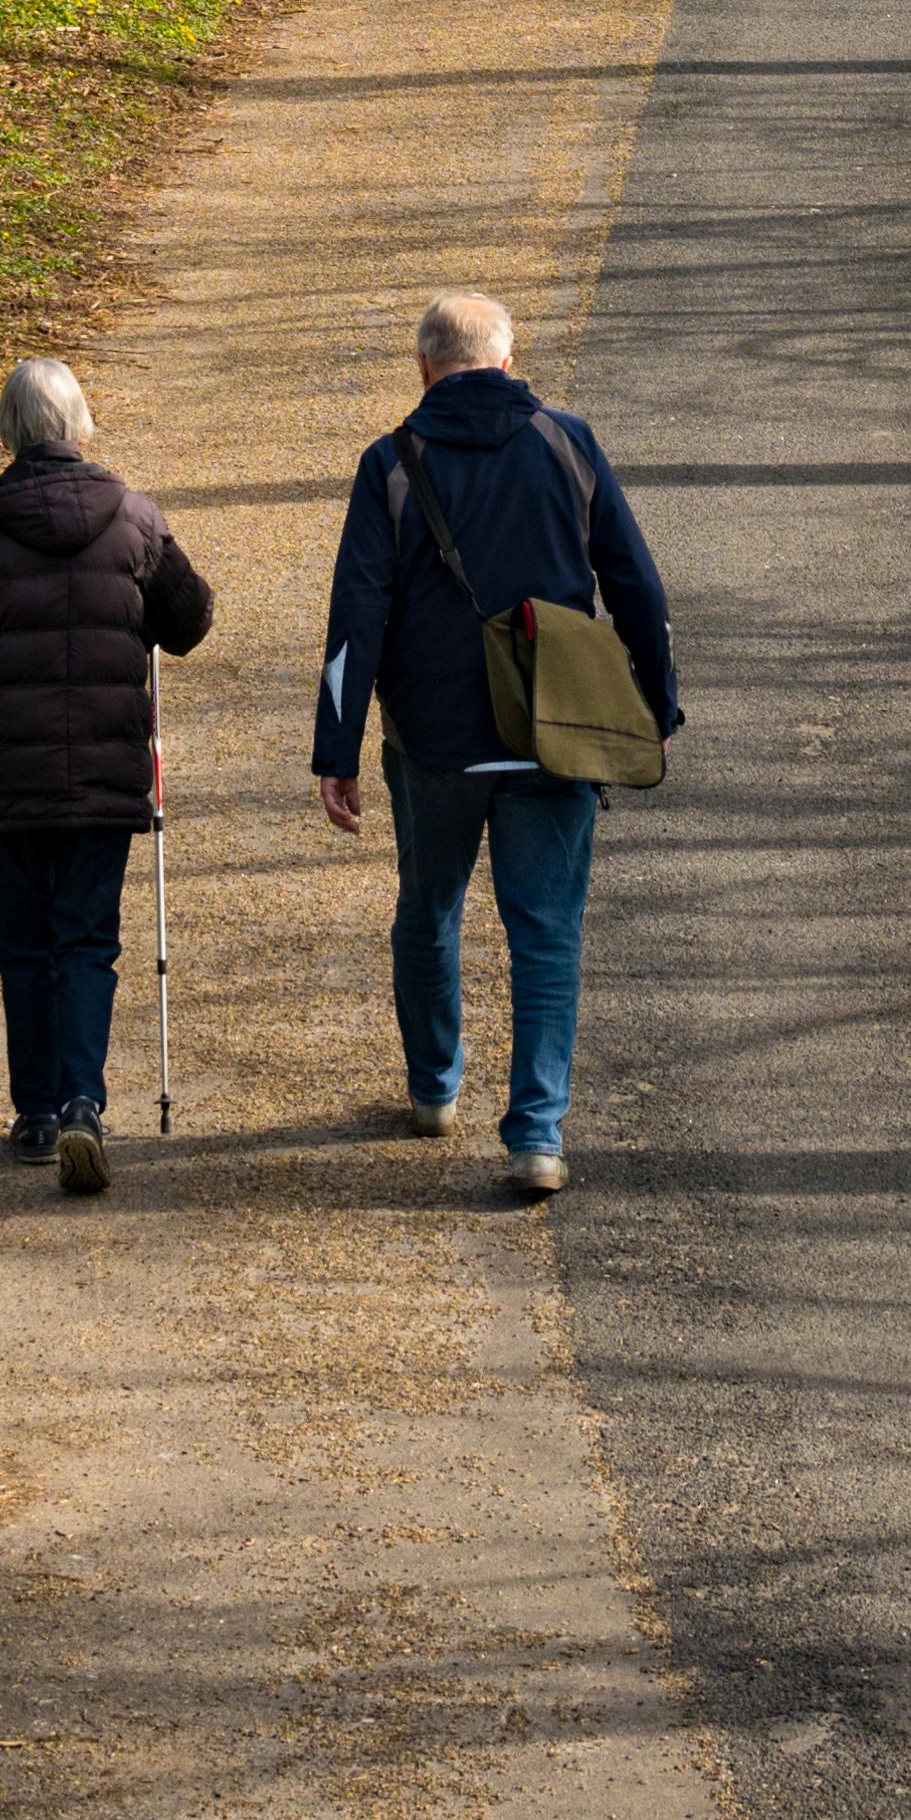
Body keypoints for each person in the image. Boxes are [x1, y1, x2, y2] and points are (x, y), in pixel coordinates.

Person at [312, 290, 678, 1199]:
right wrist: (655, 706)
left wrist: (337, 744)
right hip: (553, 731)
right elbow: (635, 583)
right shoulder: (567, 442)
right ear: (508, 364)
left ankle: (435, 1088)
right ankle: (537, 1134)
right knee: (545, 933)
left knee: (427, 909)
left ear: (423, 369)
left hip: (432, 740)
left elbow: (359, 610)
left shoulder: (390, 463)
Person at [0, 359, 214, 1193]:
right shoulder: (134, 520)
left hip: (6, 778)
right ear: (82, 425)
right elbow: (189, 623)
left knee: (24, 945)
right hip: (105, 771)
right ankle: (85, 1103)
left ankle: (36, 1113)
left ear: (7, 433)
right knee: (86, 940)